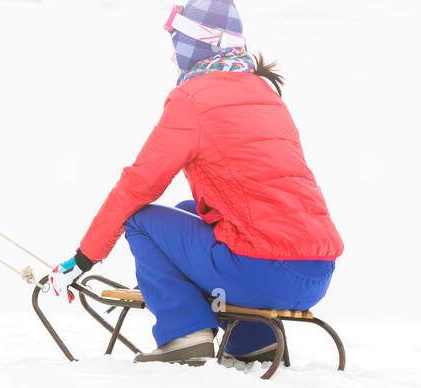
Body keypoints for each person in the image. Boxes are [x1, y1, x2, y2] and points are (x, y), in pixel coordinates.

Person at [49, 1, 344, 365]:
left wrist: (83, 258)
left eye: (175, 44)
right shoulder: (266, 95)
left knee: (142, 220)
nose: (172, 58)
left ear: (193, 47)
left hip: (261, 273)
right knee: (192, 213)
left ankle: (184, 333)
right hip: (315, 274)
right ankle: (253, 339)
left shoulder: (193, 99)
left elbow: (137, 185)